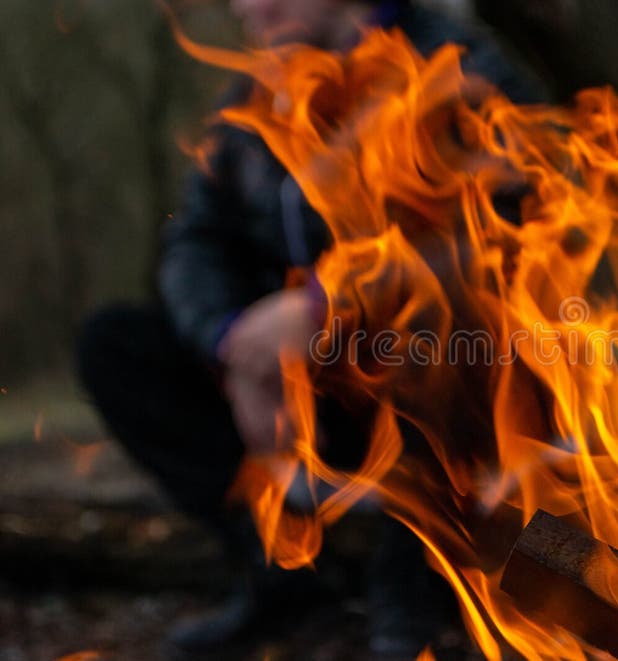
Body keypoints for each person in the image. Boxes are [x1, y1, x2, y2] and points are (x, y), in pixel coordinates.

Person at [76, 0, 546, 655]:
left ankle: (416, 585)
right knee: (115, 346)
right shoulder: (253, 102)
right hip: (301, 397)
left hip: (440, 385)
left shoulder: (456, 66)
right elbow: (194, 242)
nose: (245, 7)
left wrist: (325, 308)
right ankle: (283, 563)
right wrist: (230, 343)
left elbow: (509, 228)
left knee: (446, 320)